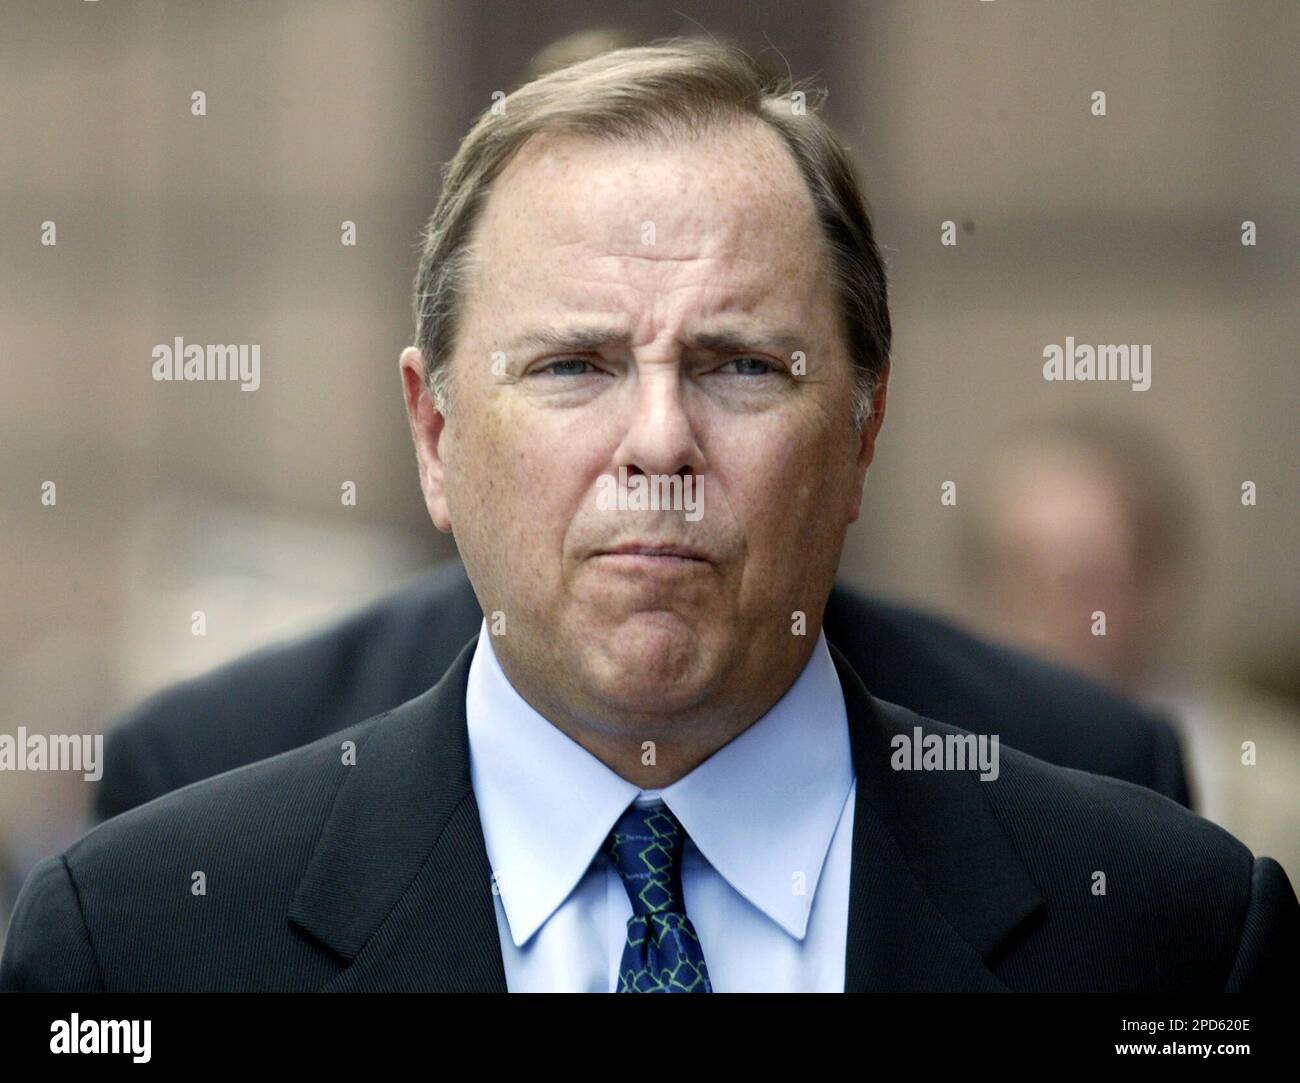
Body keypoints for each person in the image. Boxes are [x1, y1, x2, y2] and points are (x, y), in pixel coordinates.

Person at [2, 38, 1293, 992]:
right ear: (434, 436)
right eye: (573, 366)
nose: (661, 442)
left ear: (863, 435)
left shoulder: (1173, 937)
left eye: (742, 365)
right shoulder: (133, 946)